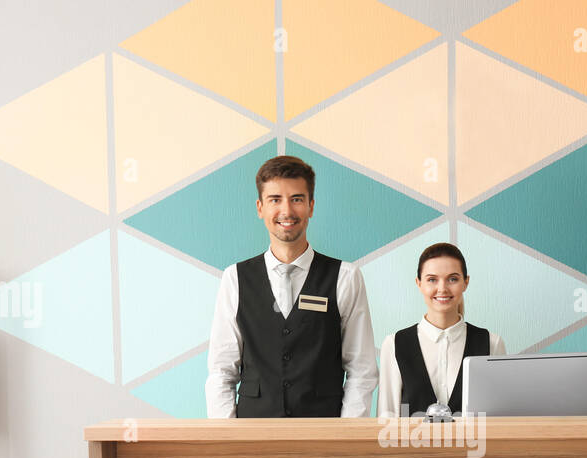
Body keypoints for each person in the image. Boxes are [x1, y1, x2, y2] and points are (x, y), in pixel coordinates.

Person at [205, 155, 378, 417]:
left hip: (324, 435)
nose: (286, 211)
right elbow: (221, 371)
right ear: (260, 207)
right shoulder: (235, 278)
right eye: (275, 200)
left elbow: (361, 369)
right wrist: (228, 439)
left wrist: (346, 436)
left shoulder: (346, 276)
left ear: (311, 206)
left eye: (296, 199)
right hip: (252, 434)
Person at [377, 242, 506, 418]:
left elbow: (500, 420)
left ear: (466, 282)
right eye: (432, 279)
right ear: (419, 283)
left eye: (453, 279)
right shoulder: (394, 344)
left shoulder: (492, 343)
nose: (442, 288)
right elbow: (387, 419)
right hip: (411, 445)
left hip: (475, 446)